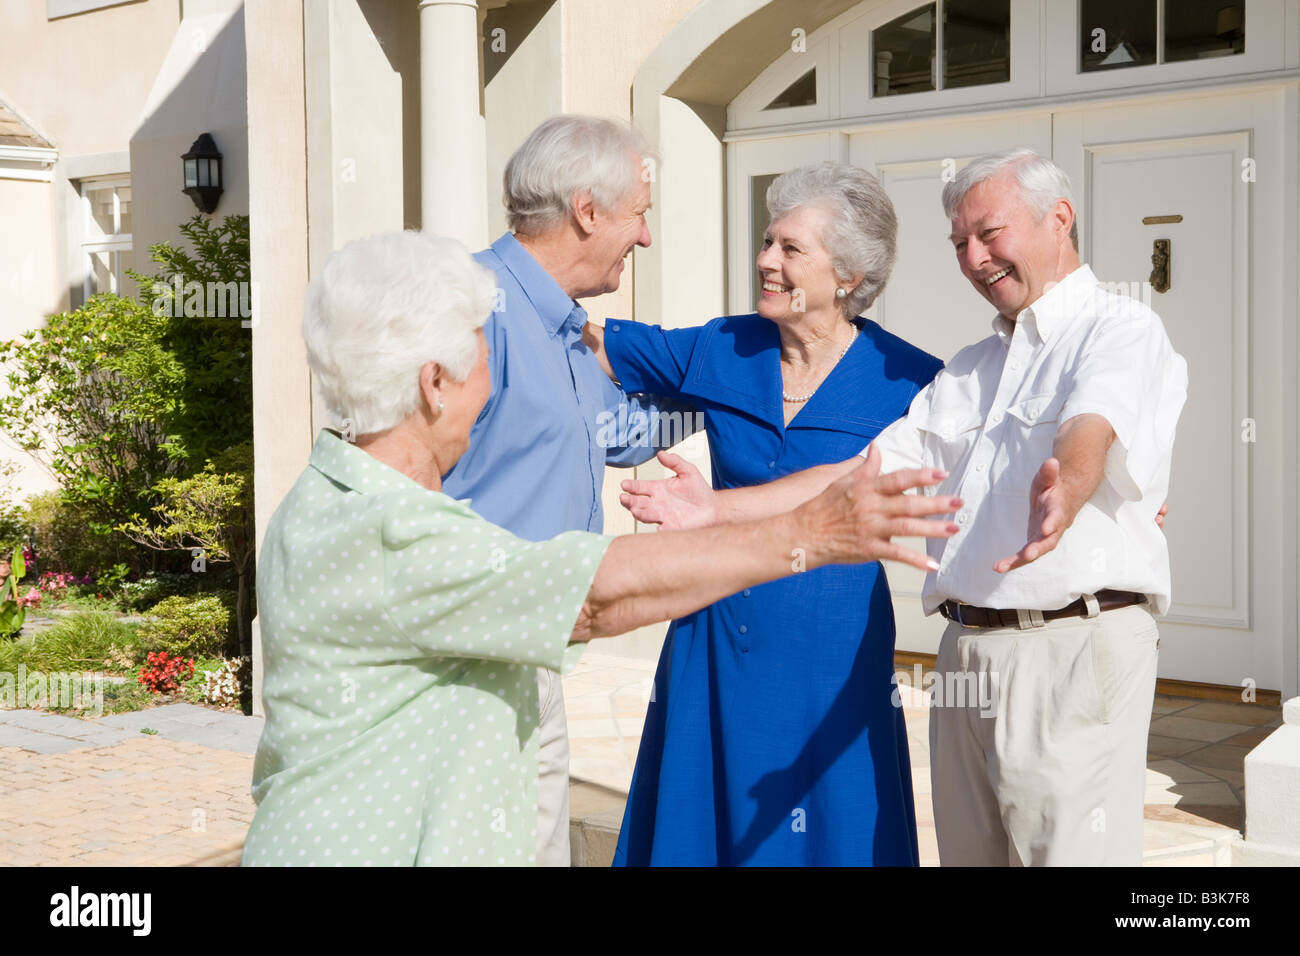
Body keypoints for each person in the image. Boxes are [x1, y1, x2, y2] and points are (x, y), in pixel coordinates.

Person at [240, 230, 960, 866]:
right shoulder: (387, 532)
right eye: (485, 358)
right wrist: (808, 531)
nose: (495, 383)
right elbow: (597, 593)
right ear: (434, 385)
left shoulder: (334, 500)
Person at [621, 148, 1188, 866]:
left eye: (990, 233)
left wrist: (1069, 483)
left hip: (1071, 644)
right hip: (967, 649)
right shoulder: (971, 371)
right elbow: (857, 473)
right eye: (959, 244)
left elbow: (1092, 423)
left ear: (1059, 220)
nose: (976, 257)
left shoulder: (1118, 328)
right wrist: (715, 512)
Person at [583, 162, 945, 865]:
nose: (765, 261)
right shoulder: (726, 345)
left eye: (789, 249)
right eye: (767, 242)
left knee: (831, 826)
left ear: (848, 275)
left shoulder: (911, 379)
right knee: (705, 822)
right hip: (717, 633)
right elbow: (598, 346)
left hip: (833, 648)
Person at [439, 115, 697, 866]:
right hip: (466, 663)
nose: (644, 239)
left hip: (532, 654)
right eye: (638, 216)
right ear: (587, 211)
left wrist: (727, 392)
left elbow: (617, 433)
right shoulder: (469, 307)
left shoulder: (563, 326)